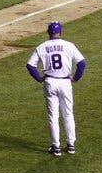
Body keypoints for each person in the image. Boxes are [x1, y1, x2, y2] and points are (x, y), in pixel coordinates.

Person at [25, 21, 85, 156]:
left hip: (50, 82)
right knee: (68, 114)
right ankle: (71, 145)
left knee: (53, 116)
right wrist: (76, 78)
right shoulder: (69, 45)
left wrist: (39, 78)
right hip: (65, 82)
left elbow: (30, 65)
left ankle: (56, 147)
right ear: (61, 32)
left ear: (48, 32)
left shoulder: (42, 47)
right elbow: (82, 63)